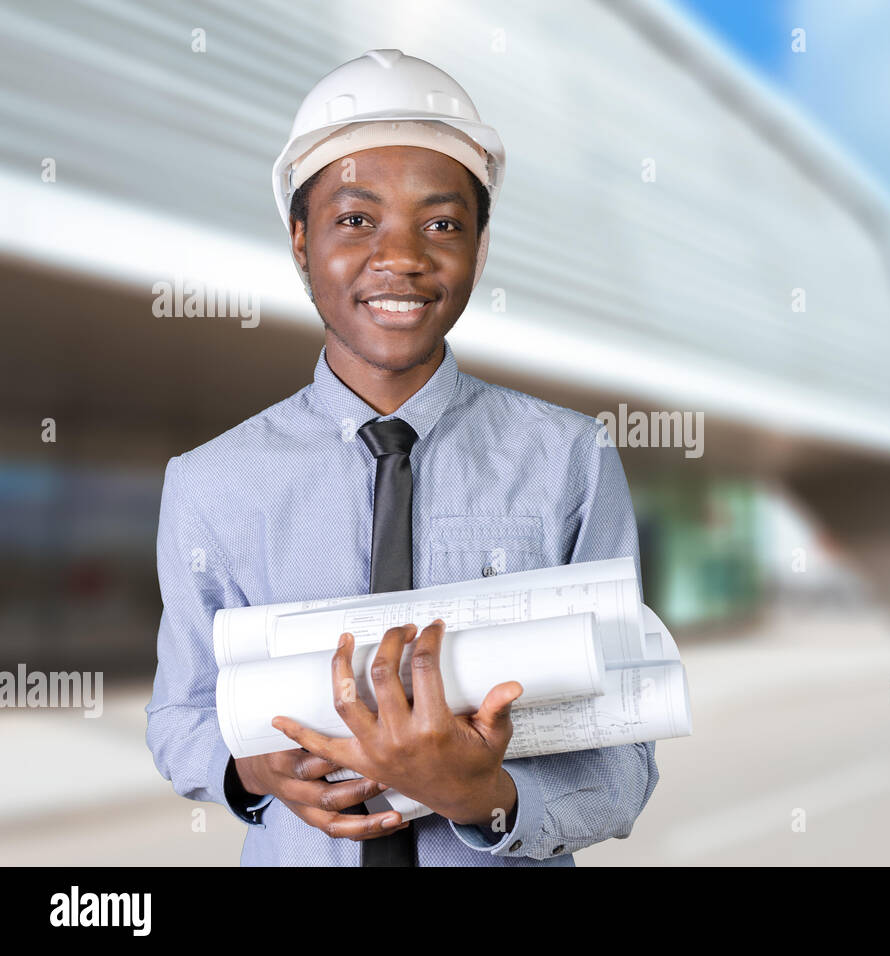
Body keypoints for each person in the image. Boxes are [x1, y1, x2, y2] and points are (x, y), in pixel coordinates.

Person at [145, 49, 658, 866]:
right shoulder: (211, 483)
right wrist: (251, 772)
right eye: (355, 219)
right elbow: (180, 717)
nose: (403, 256)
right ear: (299, 239)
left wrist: (482, 797)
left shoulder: (570, 460)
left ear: (480, 249)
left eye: (442, 223)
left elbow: (625, 762)